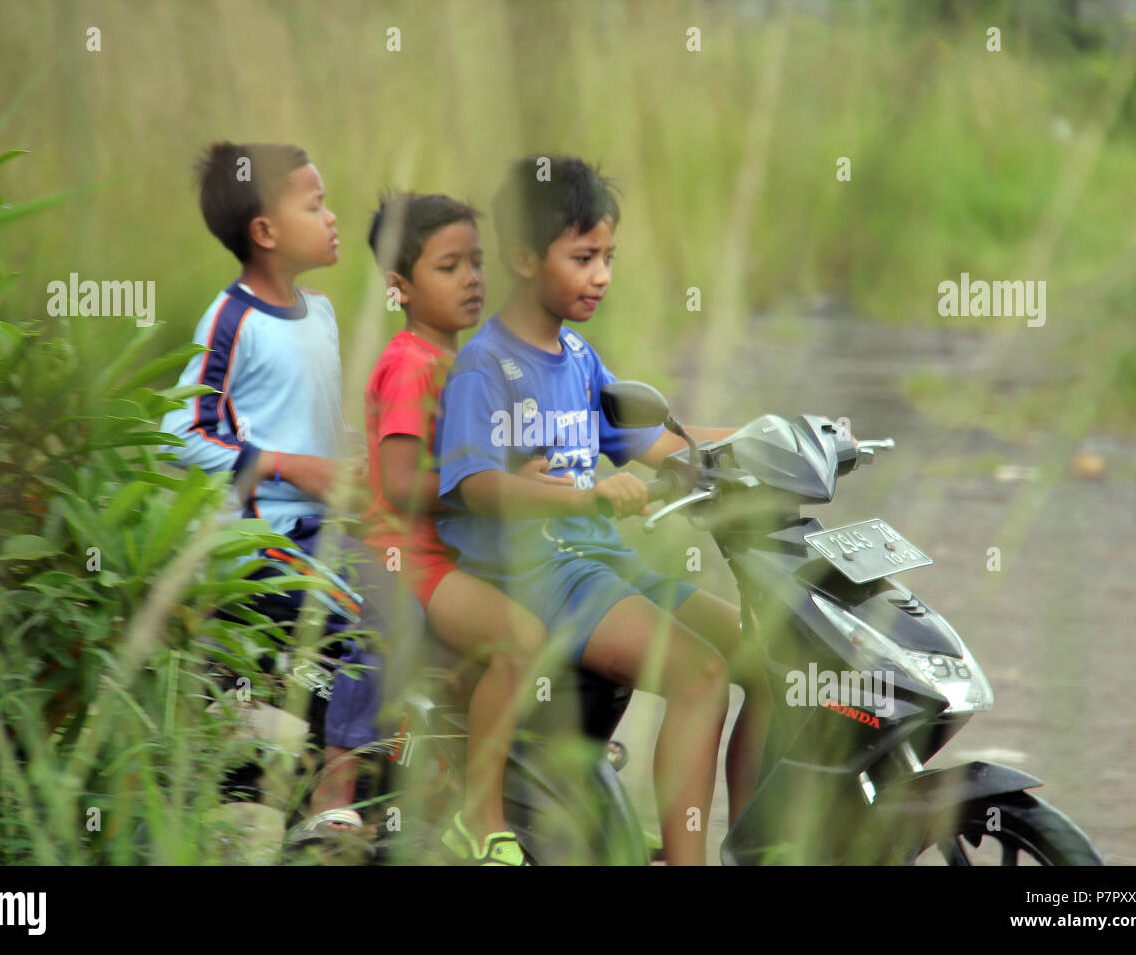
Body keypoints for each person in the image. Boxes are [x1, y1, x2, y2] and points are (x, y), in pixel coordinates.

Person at [433, 155, 771, 865]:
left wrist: (782, 439)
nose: (602, 276)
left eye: (609, 257)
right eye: (583, 257)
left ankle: (754, 847)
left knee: (766, 656)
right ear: (525, 258)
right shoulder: (485, 367)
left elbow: (668, 444)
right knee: (700, 676)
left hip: (603, 564)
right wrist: (585, 494)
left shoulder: (581, 359)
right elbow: (474, 485)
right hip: (541, 573)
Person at [159, 141, 421, 839]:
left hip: (320, 533)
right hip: (260, 540)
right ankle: (331, 804)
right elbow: (178, 432)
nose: (334, 218)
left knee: (413, 607)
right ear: (265, 232)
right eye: (315, 205)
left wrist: (344, 457)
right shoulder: (231, 319)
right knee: (373, 625)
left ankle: (377, 793)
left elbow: (307, 421)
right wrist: (289, 467)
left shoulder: (322, 314)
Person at [361, 191, 571, 865]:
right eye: (449, 267)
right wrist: (489, 494)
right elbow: (397, 484)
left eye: (477, 263)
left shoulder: (469, 362)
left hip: (455, 547)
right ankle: (481, 819)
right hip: (409, 556)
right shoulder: (409, 367)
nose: (473, 279)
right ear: (400, 288)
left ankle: (558, 804)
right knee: (519, 641)